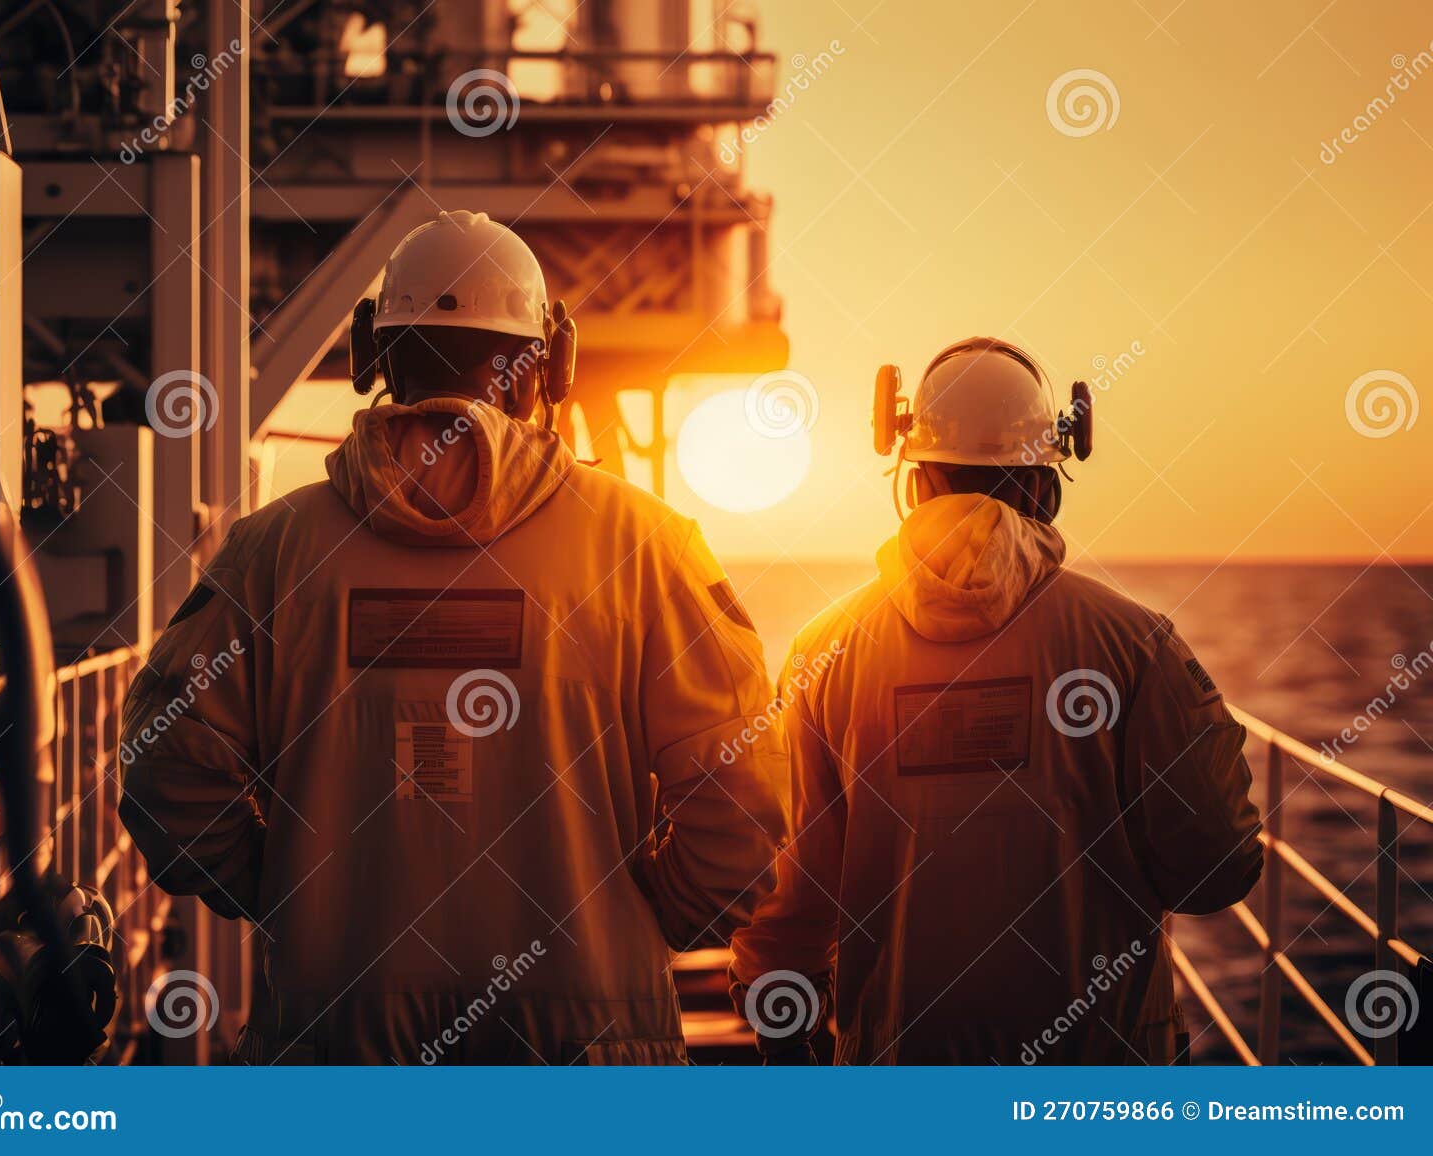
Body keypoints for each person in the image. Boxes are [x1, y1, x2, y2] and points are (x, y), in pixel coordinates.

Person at [119, 210, 787, 1064]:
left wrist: (287, 890)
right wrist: (643, 914)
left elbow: (165, 770)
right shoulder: (646, 547)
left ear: (373, 354)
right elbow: (742, 803)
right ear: (548, 366)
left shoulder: (272, 552)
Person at [729, 337, 1262, 1065]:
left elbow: (789, 889)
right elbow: (1217, 867)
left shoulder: (825, 651)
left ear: (914, 484)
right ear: (1046, 488)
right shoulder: (1133, 643)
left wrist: (785, 1028)